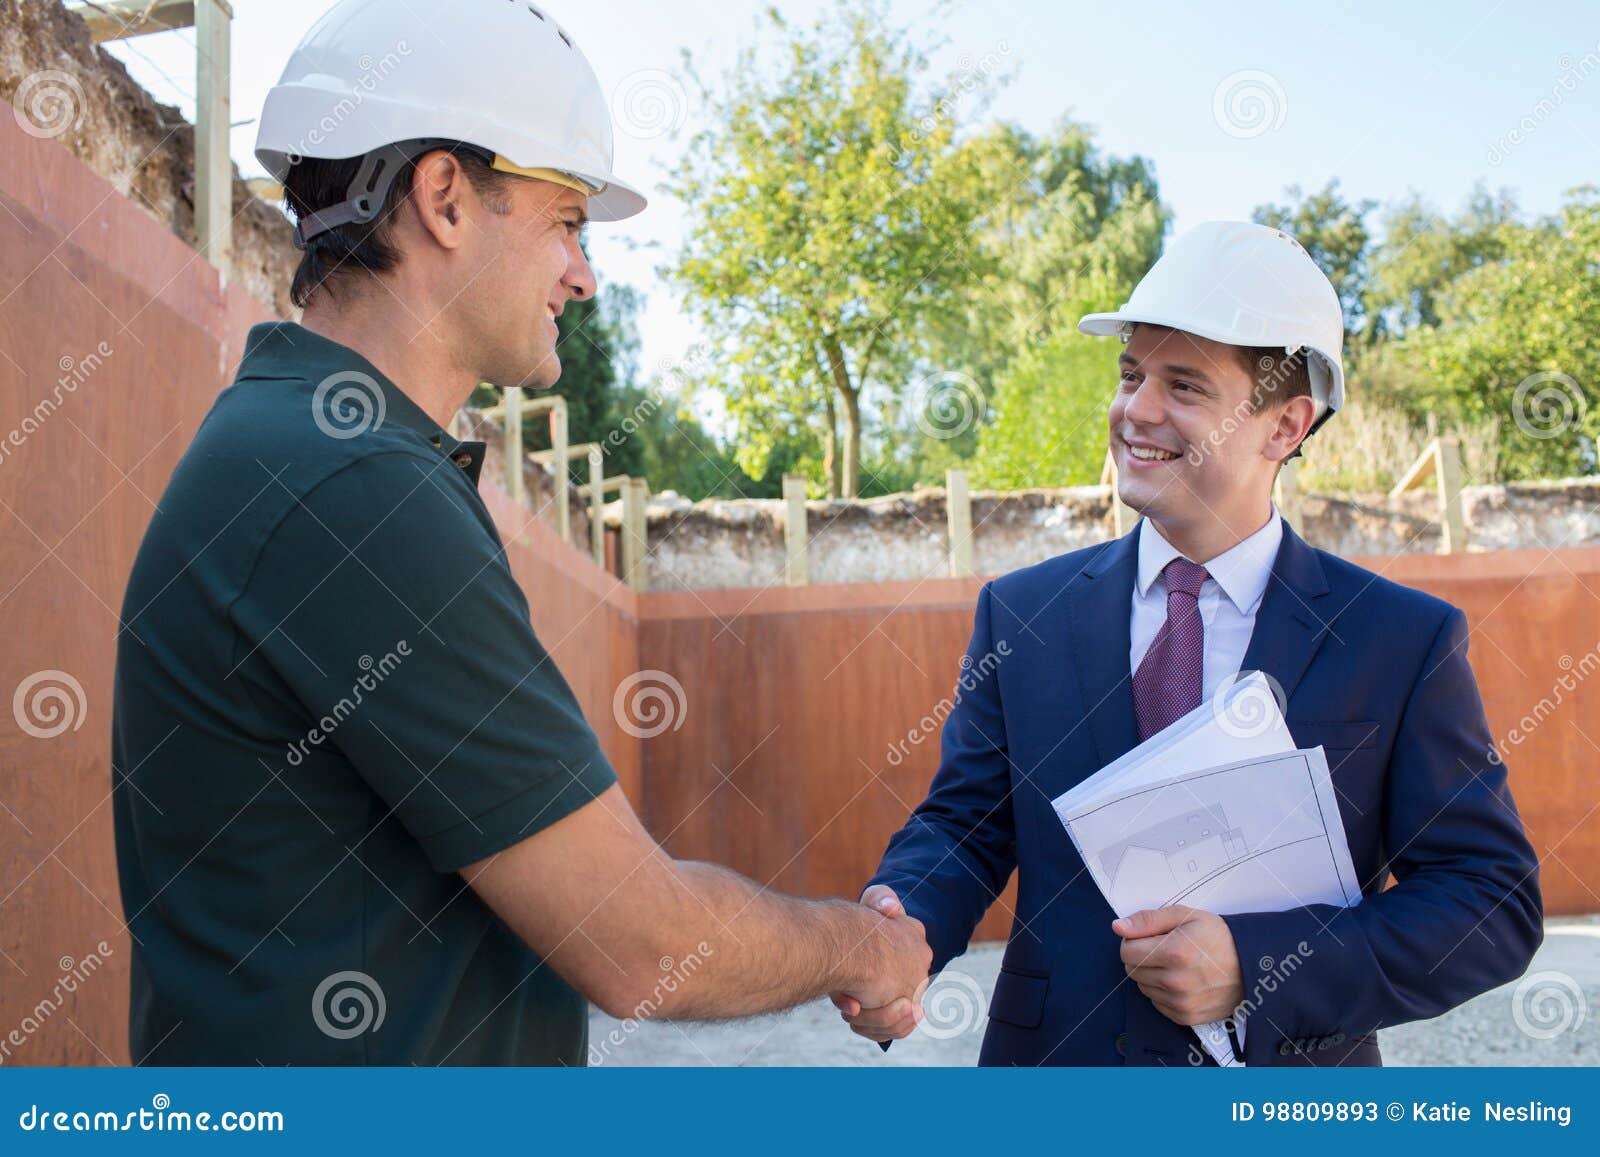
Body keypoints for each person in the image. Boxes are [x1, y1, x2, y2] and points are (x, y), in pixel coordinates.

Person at [111, 0, 928, 1066]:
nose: (583, 275)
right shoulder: (354, 483)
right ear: (445, 198)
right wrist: (865, 945)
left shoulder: (305, 444)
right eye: (566, 222)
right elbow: (643, 942)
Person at [838, 221, 1543, 1065]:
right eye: (1130, 373)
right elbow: (966, 826)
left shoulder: (1400, 639)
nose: (1136, 408)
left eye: (1184, 385)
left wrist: (1259, 964)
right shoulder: (1023, 614)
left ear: (1285, 425)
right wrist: (903, 924)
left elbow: (1488, 901)